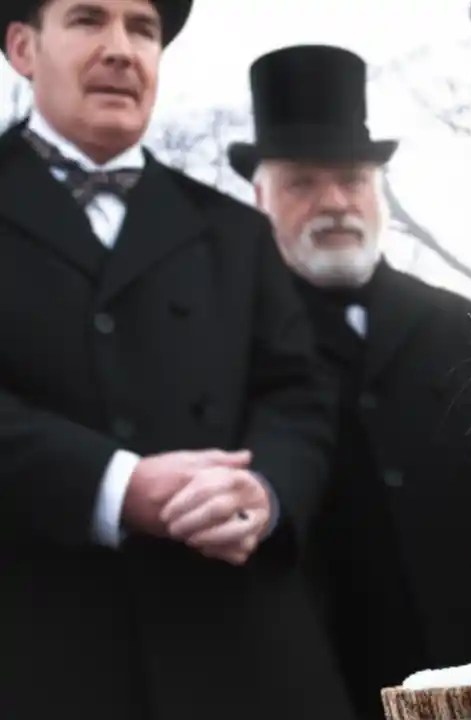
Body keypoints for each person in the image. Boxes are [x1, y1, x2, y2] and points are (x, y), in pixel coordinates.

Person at [0, 2, 355, 719]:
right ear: (23, 48)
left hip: (248, 649)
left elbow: (299, 398)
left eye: (143, 29)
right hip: (44, 647)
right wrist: (114, 486)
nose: (121, 50)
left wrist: (264, 493)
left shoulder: (237, 230)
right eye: (88, 20)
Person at [229, 44, 471, 719]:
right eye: (301, 184)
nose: (333, 203)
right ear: (260, 200)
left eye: (352, 180)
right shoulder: (233, 342)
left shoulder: (463, 324)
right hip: (334, 686)